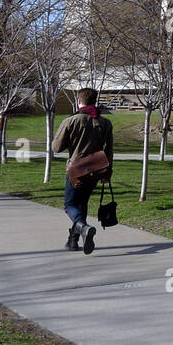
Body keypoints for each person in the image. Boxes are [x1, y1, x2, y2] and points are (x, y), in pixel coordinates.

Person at [52, 88, 114, 254]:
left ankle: (82, 227)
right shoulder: (105, 123)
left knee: (69, 205)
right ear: (95, 101)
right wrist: (108, 171)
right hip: (96, 170)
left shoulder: (71, 120)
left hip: (76, 171)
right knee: (82, 204)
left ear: (79, 101)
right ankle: (73, 241)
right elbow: (109, 151)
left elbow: (56, 147)